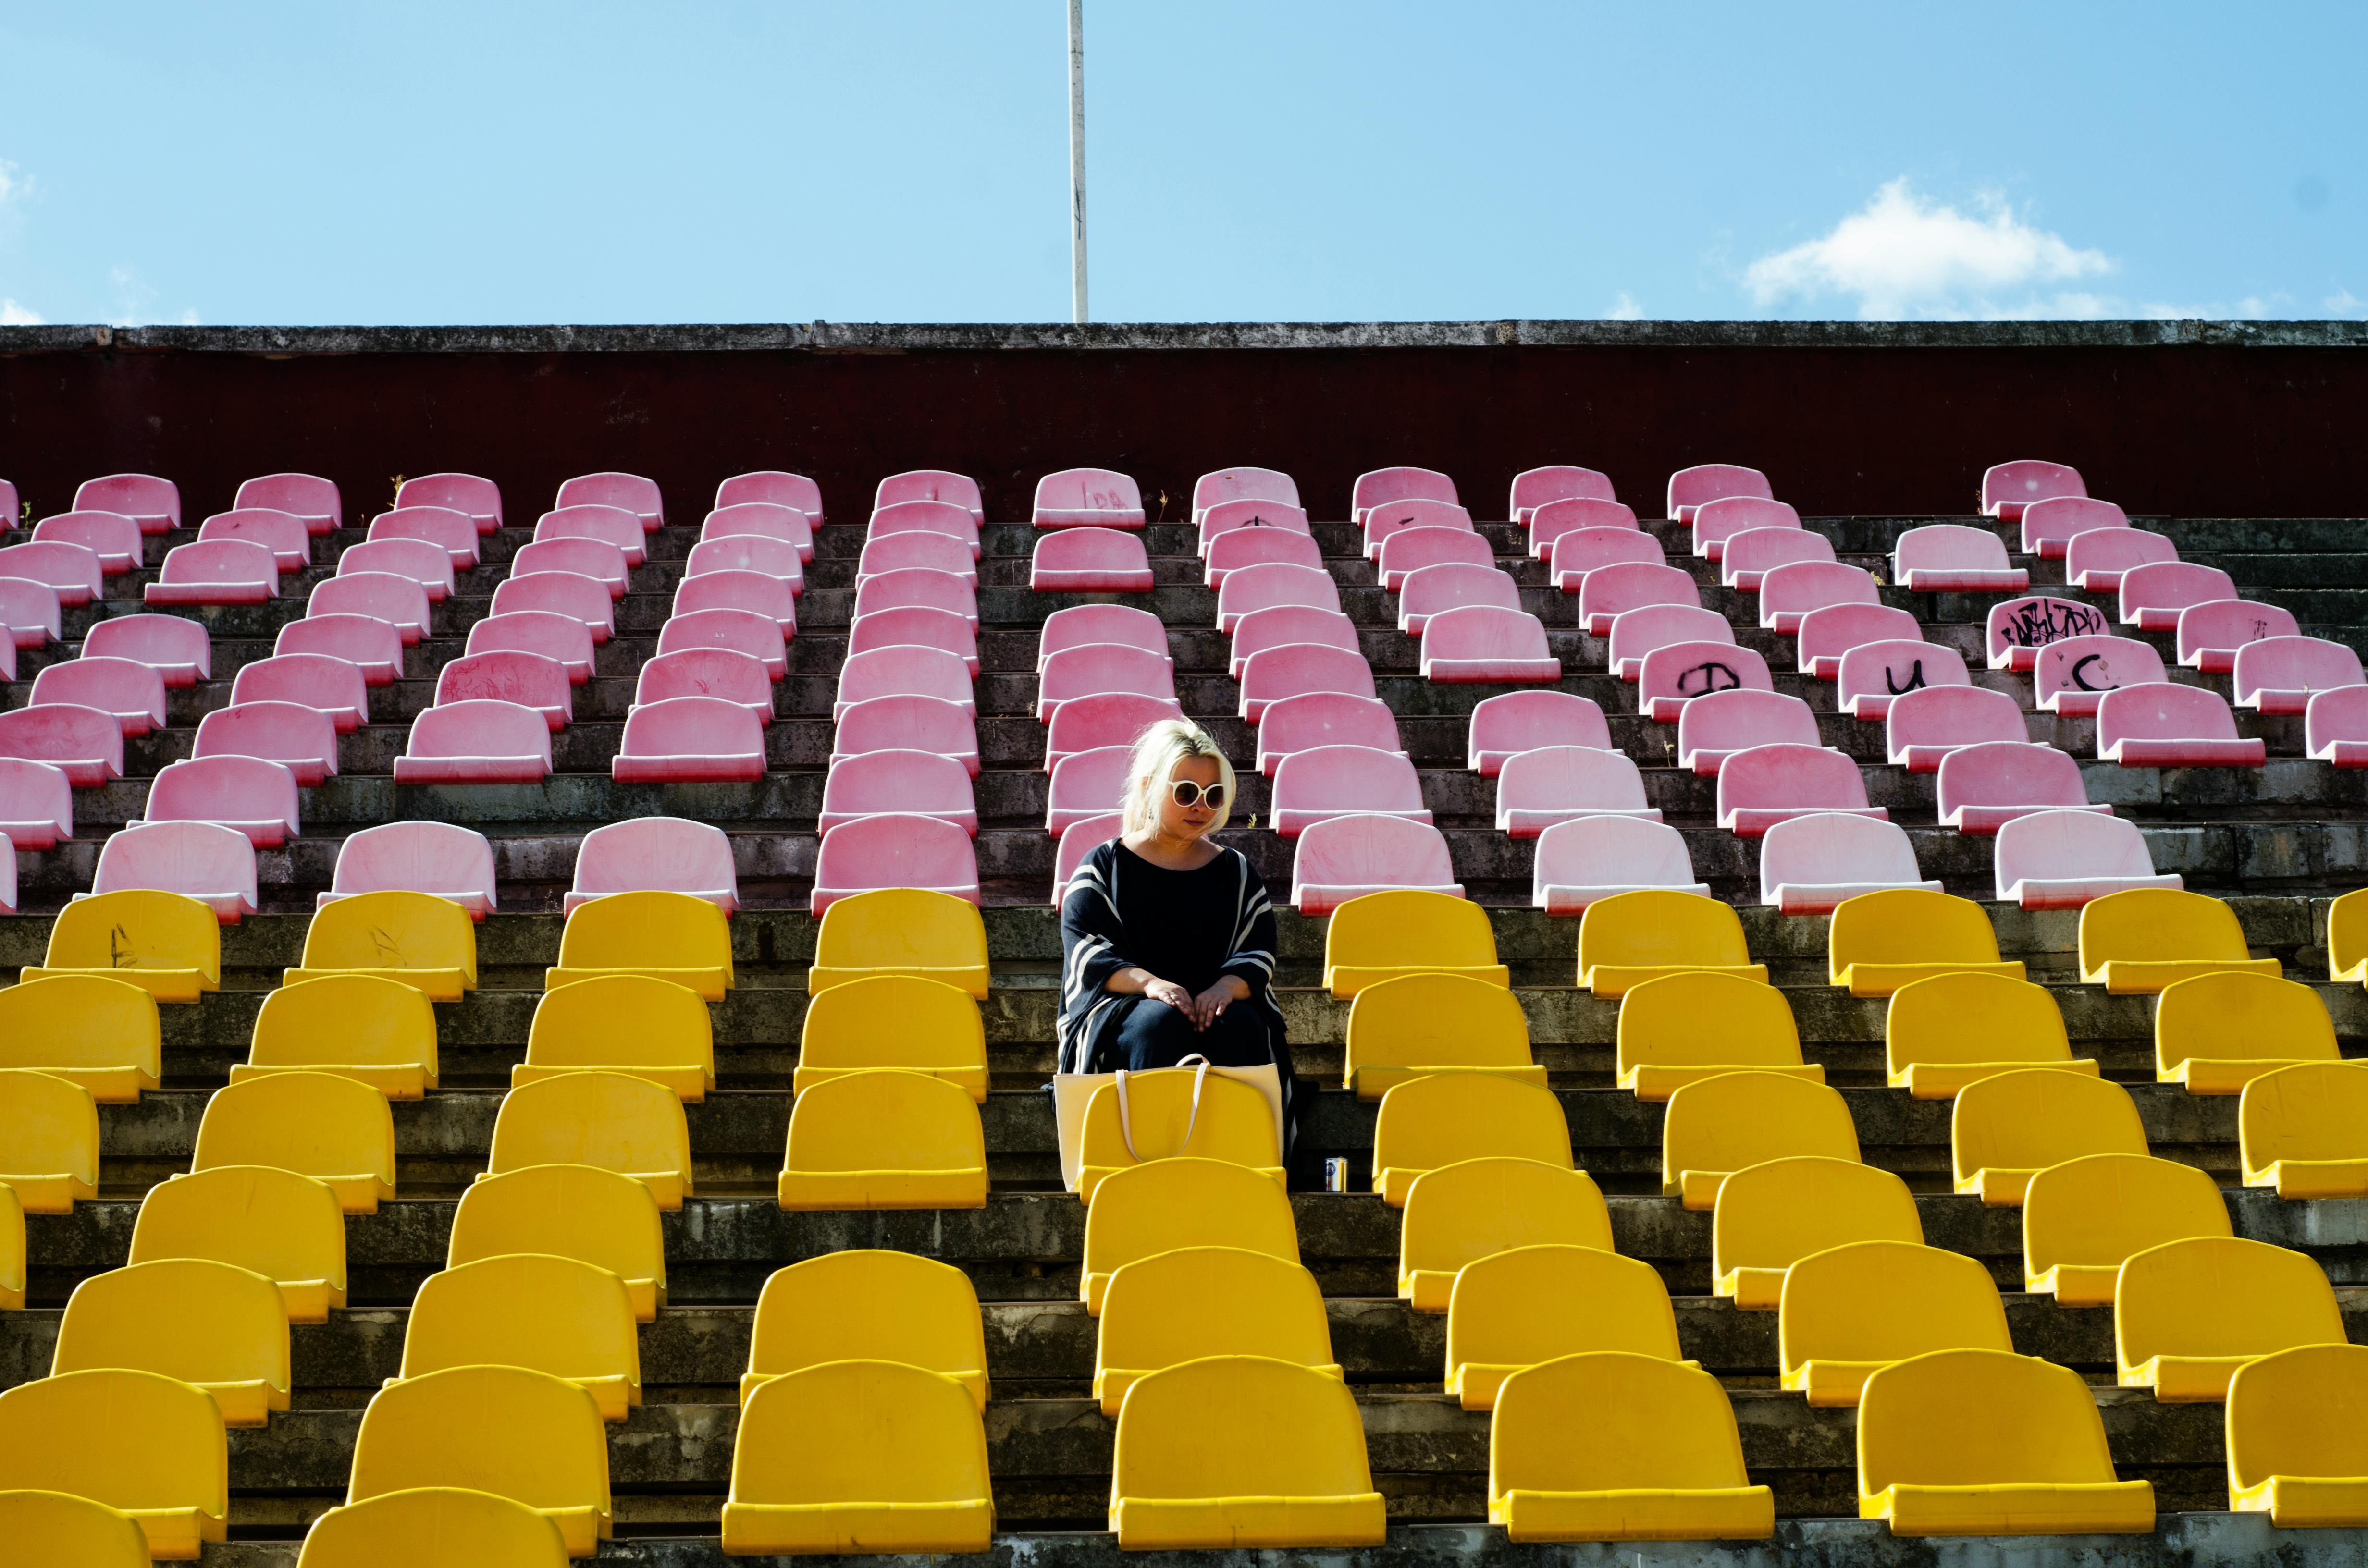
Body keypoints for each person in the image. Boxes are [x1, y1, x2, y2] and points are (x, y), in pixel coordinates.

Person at [1056, 717, 1298, 1153]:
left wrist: (1226, 987)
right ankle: (1148, 1159)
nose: (1200, 805)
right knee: (1159, 1024)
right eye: (1186, 792)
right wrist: (1151, 985)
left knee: (1240, 1025)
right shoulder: (1103, 867)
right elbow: (1086, 952)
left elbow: (1259, 949)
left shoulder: (1238, 873)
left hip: (1217, 1005)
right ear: (1151, 786)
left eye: (1213, 795)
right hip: (1128, 1009)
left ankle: (1249, 1160)